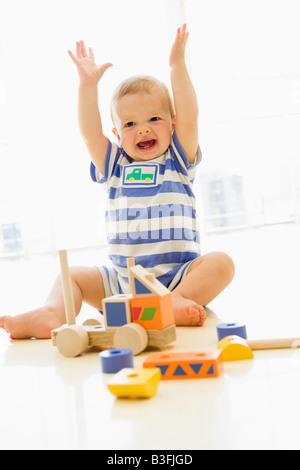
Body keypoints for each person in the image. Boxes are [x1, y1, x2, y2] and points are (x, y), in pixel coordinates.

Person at [0, 25, 234, 339]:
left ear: (172, 124)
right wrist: (87, 85)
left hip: (178, 275)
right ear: (117, 135)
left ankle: (175, 301)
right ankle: (52, 313)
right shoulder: (115, 165)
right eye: (130, 124)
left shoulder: (178, 160)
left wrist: (177, 65)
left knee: (221, 263)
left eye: (154, 119)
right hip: (122, 282)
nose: (143, 130)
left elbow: (191, 116)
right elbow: (88, 134)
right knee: (70, 276)